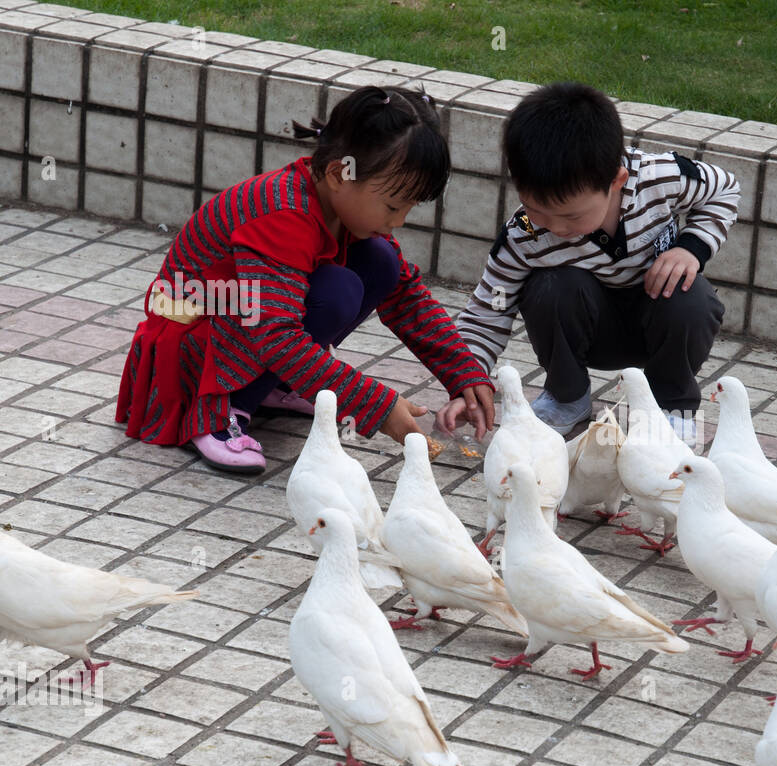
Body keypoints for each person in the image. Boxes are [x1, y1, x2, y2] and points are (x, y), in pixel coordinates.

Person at [116, 86, 495, 475]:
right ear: (338, 174)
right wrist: (375, 405)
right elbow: (276, 335)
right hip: (190, 352)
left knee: (383, 263)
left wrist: (463, 371)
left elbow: (406, 296)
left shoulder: (337, 207)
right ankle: (221, 412)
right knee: (337, 292)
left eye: (408, 208)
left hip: (239, 330)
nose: (398, 221)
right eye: (393, 206)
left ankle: (274, 386)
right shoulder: (283, 215)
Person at [446, 82, 741, 440]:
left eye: (571, 217)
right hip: (588, 333)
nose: (554, 227)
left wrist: (690, 248)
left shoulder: (659, 177)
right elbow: (487, 312)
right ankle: (566, 399)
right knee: (550, 288)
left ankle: (670, 406)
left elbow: (725, 189)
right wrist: (465, 379)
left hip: (659, 320)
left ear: (617, 181)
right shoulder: (524, 234)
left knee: (691, 298)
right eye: (537, 210)